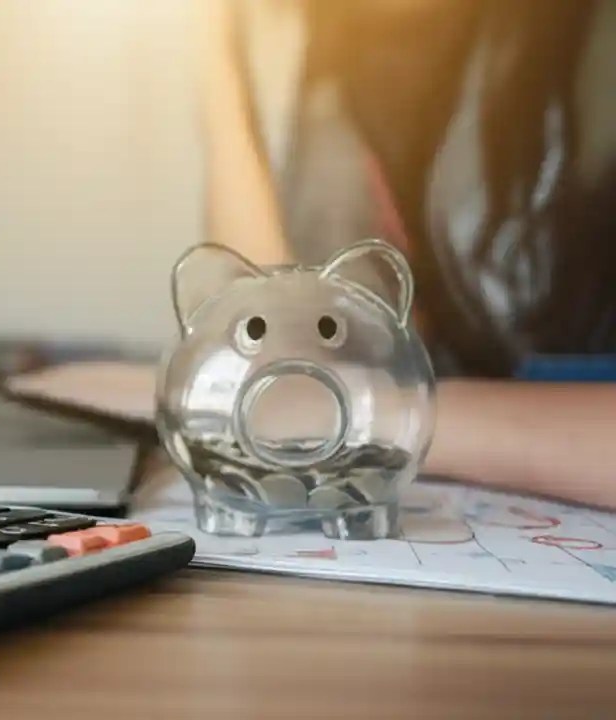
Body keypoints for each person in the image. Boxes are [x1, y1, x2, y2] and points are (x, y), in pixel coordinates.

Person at [192, 0, 616, 509]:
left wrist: (363, 414)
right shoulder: (322, 63)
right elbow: (269, 343)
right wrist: (218, 64)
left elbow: (292, 401)